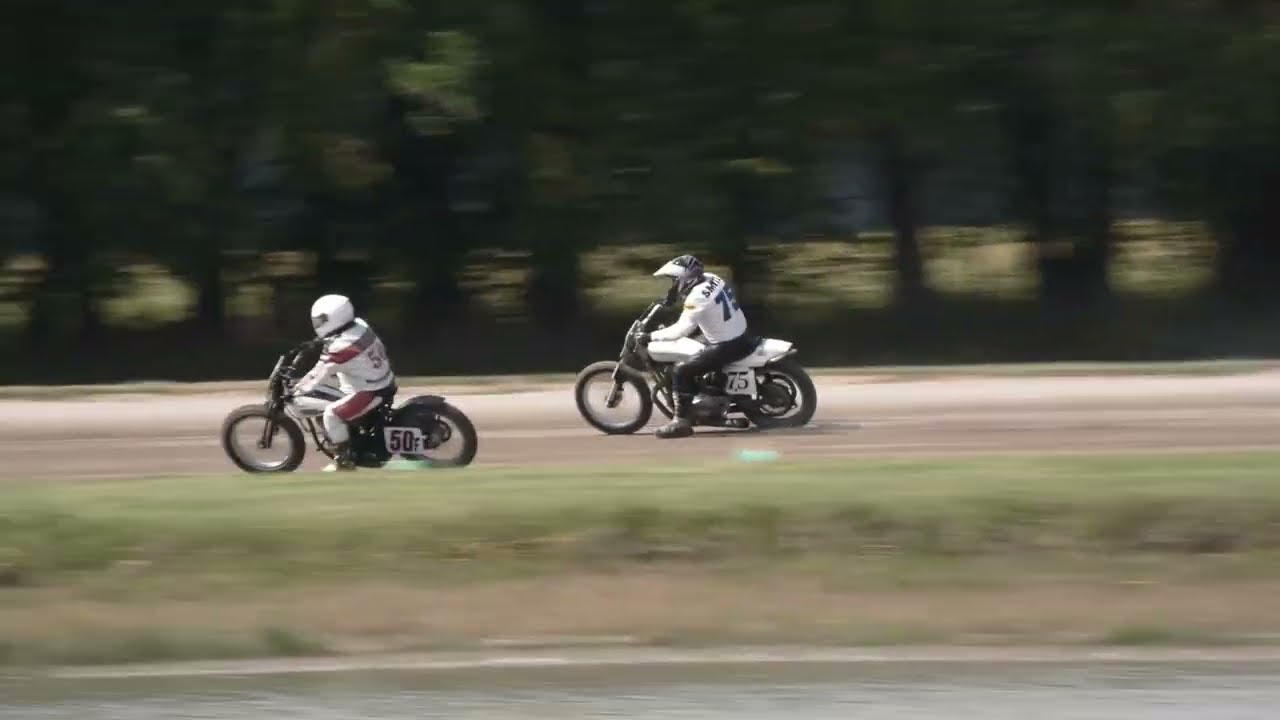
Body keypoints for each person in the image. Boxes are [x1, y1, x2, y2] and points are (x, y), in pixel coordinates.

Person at [637, 254, 756, 439]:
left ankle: (681, 422)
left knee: (681, 371)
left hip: (728, 344)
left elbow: (680, 330)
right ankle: (711, 398)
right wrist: (673, 296)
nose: (674, 283)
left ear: (687, 279)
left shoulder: (697, 298)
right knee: (696, 349)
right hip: (739, 332)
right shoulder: (712, 278)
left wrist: (650, 336)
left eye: (675, 280)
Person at [291, 294, 397, 471]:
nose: (317, 325)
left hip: (371, 390)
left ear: (334, 318)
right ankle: (353, 435)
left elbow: (318, 373)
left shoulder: (342, 346)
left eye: (321, 321)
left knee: (331, 414)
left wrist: (297, 389)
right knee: (333, 392)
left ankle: (344, 462)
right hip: (376, 379)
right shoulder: (359, 325)